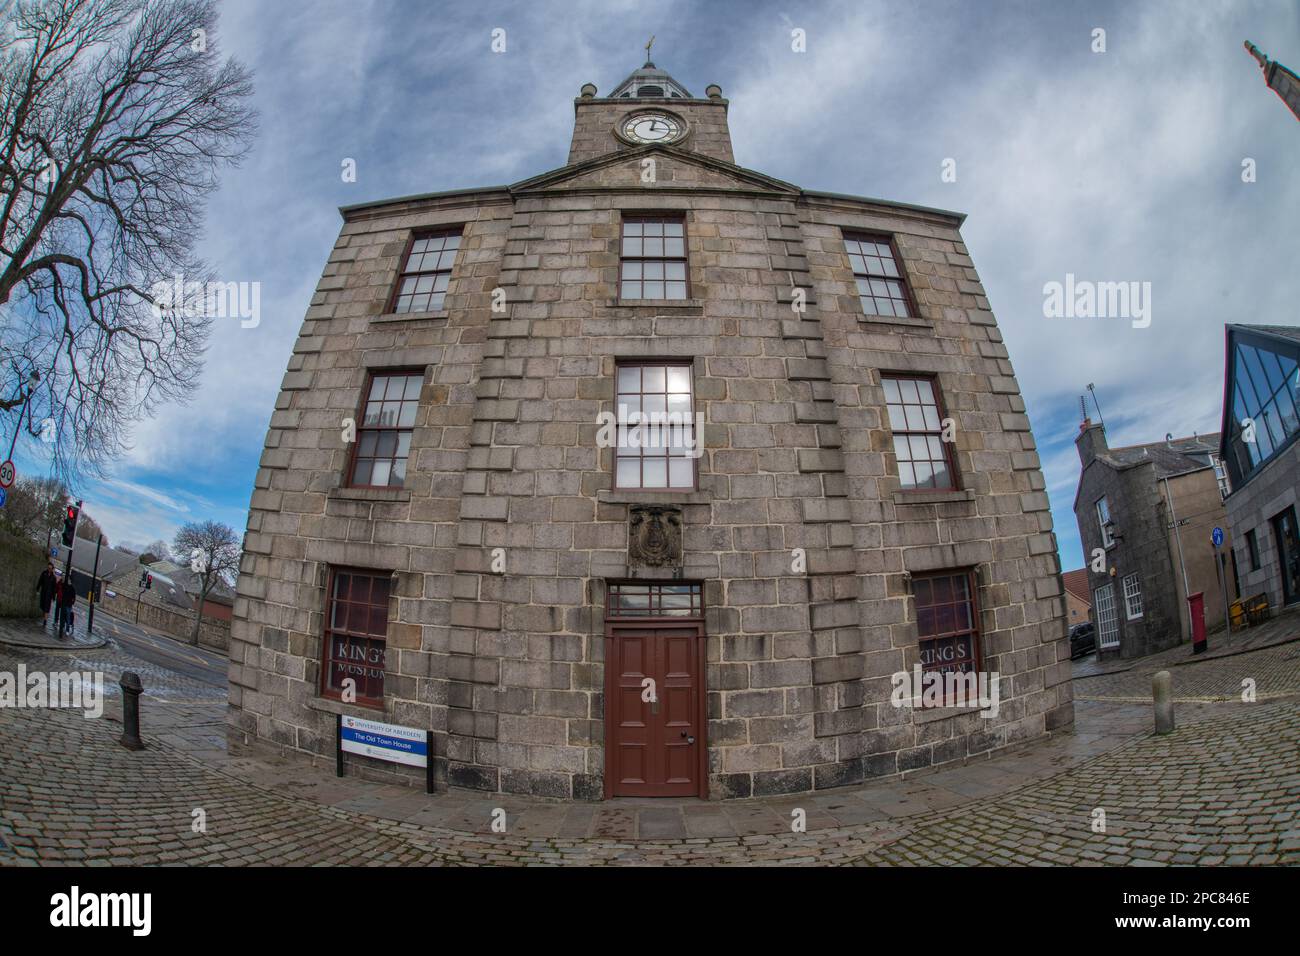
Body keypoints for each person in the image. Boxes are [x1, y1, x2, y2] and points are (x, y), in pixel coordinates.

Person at [36, 563, 58, 628]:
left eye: (50, 569)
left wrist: (54, 597)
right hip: (43, 592)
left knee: (47, 608)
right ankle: (44, 615)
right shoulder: (44, 573)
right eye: (48, 568)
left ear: (52, 569)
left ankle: (45, 621)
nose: (49, 570)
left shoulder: (53, 577)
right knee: (42, 606)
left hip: (49, 595)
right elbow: (40, 581)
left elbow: (54, 588)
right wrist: (37, 589)